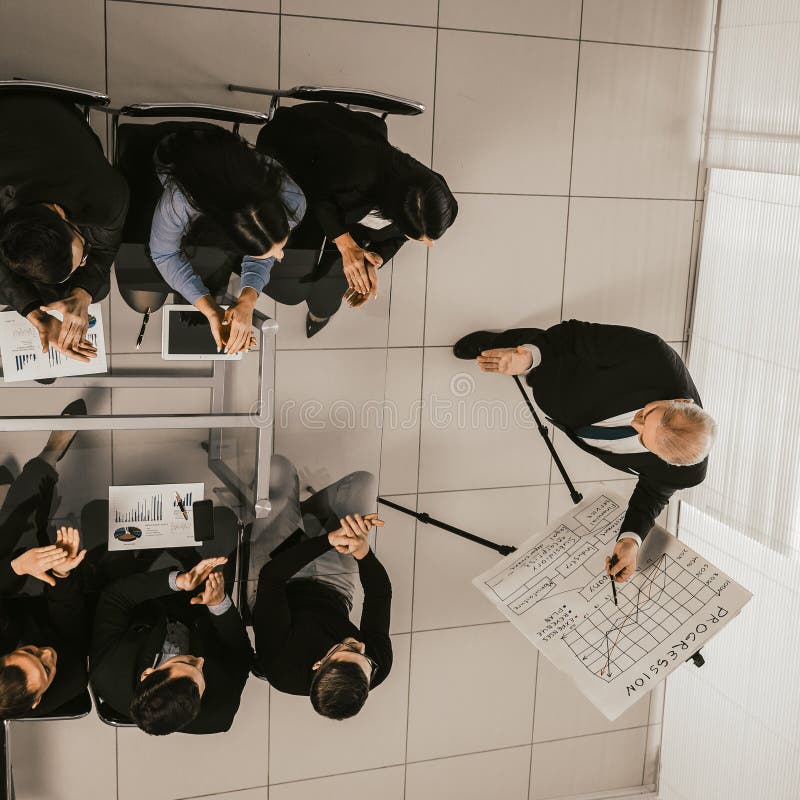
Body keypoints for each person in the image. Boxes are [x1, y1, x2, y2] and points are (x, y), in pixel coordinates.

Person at [453, 320, 717, 583]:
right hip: (566, 374)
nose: (634, 425)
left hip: (573, 415)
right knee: (537, 352)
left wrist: (631, 541)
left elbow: (654, 492)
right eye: (645, 414)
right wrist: (529, 357)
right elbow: (572, 335)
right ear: (681, 401)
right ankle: (506, 344)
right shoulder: (651, 354)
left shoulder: (687, 472)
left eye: (644, 440)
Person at [256, 102, 458, 337]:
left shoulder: (429, 196)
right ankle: (230, 254)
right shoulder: (356, 172)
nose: (429, 244)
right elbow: (317, 195)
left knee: (339, 280)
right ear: (393, 211)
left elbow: (398, 236)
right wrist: (345, 243)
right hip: (301, 173)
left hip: (344, 202)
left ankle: (322, 308)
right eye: (421, 237)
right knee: (291, 290)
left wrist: (376, 260)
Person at [250, 455, 392, 719]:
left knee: (278, 468)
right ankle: (309, 510)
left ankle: (296, 512)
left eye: (349, 649)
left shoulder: (282, 669)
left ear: (319, 664)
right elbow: (379, 596)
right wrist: (362, 553)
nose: (362, 646)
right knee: (363, 482)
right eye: (367, 661)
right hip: (335, 588)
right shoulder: (375, 668)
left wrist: (328, 540)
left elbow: (272, 578)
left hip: (279, 583)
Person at [149, 126, 306, 355]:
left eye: (277, 249)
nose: (279, 256)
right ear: (224, 238)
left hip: (225, 154)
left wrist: (248, 300)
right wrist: (210, 309)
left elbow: (262, 244)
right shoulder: (179, 201)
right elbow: (164, 254)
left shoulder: (293, 201)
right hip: (174, 155)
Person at [0, 93, 129, 362]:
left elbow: (106, 245)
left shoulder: (107, 195)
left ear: (60, 213)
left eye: (80, 257)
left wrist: (81, 293)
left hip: (53, 107)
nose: (85, 262)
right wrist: (35, 311)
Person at [89, 557, 252, 735]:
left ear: (147, 674)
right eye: (201, 673)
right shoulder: (219, 711)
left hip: (148, 591)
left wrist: (179, 581)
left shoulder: (108, 670)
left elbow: (115, 598)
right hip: (206, 608)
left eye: (187, 664)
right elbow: (241, 654)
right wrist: (219, 604)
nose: (200, 660)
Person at [0, 401, 90, 718]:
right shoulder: (72, 680)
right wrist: (61, 575)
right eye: (48, 667)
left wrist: (18, 566)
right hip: (47, 602)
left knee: (11, 532)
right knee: (20, 526)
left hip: (5, 593)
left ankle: (50, 454)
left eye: (30, 651)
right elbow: (70, 623)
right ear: (38, 701)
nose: (48, 652)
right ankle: (19, 498)